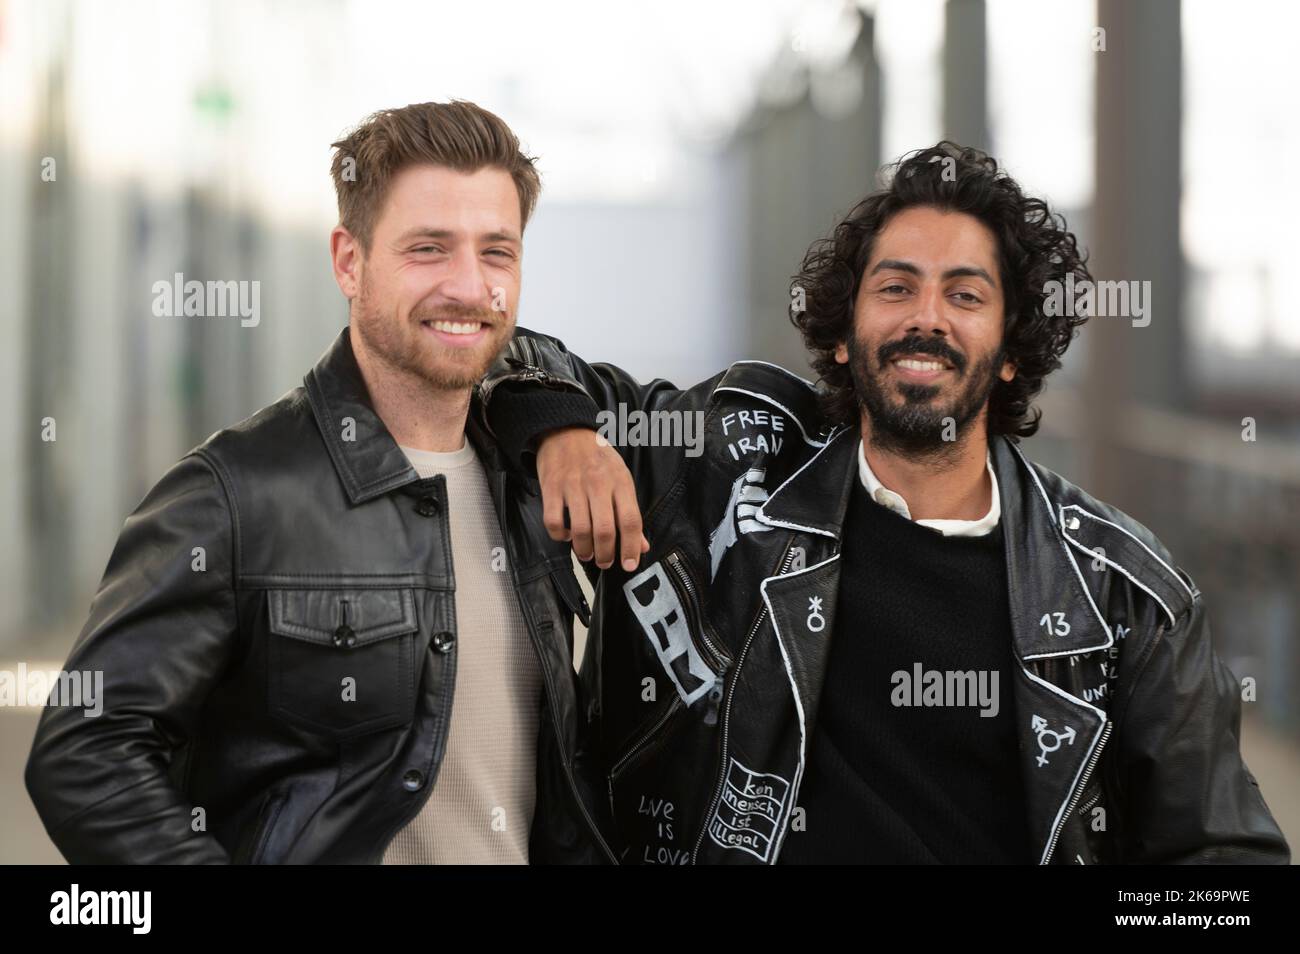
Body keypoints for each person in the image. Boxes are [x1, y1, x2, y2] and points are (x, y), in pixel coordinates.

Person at [480, 142, 1291, 864]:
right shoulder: (735, 459)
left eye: (966, 297)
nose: (926, 319)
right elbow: (501, 348)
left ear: (1010, 352)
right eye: (896, 287)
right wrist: (566, 434)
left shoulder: (1124, 596)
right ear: (842, 332)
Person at [25, 100, 616, 864]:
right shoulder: (235, 494)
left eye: (496, 252)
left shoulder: (529, 483)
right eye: (429, 249)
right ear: (348, 260)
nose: (470, 287)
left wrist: (565, 421)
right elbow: (85, 752)